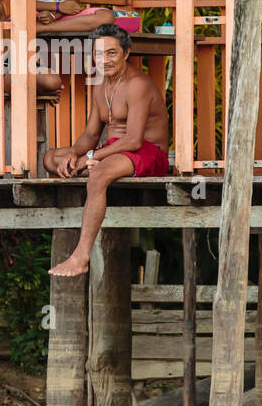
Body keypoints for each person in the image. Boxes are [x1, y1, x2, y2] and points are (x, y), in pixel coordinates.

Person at [43, 24, 169, 276]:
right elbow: (91, 134)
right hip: (113, 151)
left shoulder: (138, 84)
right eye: (99, 54)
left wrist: (90, 157)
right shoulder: (100, 86)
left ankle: (80, 256)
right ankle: (85, 168)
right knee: (50, 158)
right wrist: (74, 154)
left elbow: (133, 140)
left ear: (126, 53)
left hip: (147, 152)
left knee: (98, 175)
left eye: (111, 53)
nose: (105, 60)